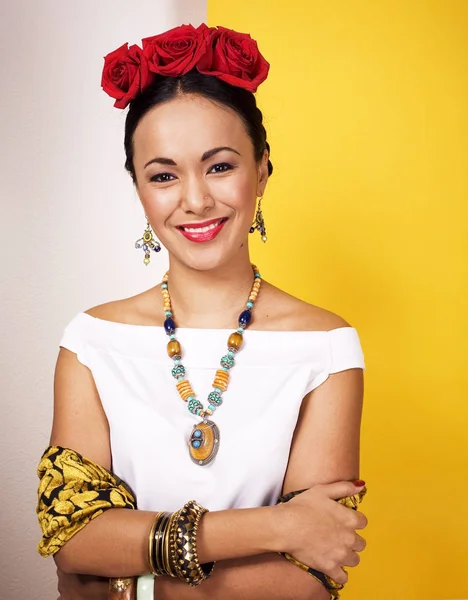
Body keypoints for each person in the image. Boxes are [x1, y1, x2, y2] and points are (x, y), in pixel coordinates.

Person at [37, 24, 368, 600]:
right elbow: (73, 540)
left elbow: (307, 579)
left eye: (219, 166)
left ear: (262, 170)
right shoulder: (91, 343)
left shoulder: (327, 346)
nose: (194, 199)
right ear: (139, 190)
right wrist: (275, 526)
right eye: (163, 175)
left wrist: (127, 580)